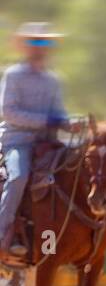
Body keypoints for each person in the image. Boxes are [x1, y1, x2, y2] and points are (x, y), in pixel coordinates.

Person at [0, 23, 81, 258]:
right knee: (18, 177)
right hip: (18, 141)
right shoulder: (14, 75)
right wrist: (48, 121)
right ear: (26, 47)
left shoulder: (53, 80)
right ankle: (3, 232)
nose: (40, 47)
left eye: (45, 42)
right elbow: (9, 112)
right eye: (35, 42)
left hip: (49, 142)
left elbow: (58, 113)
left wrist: (70, 123)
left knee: (79, 172)